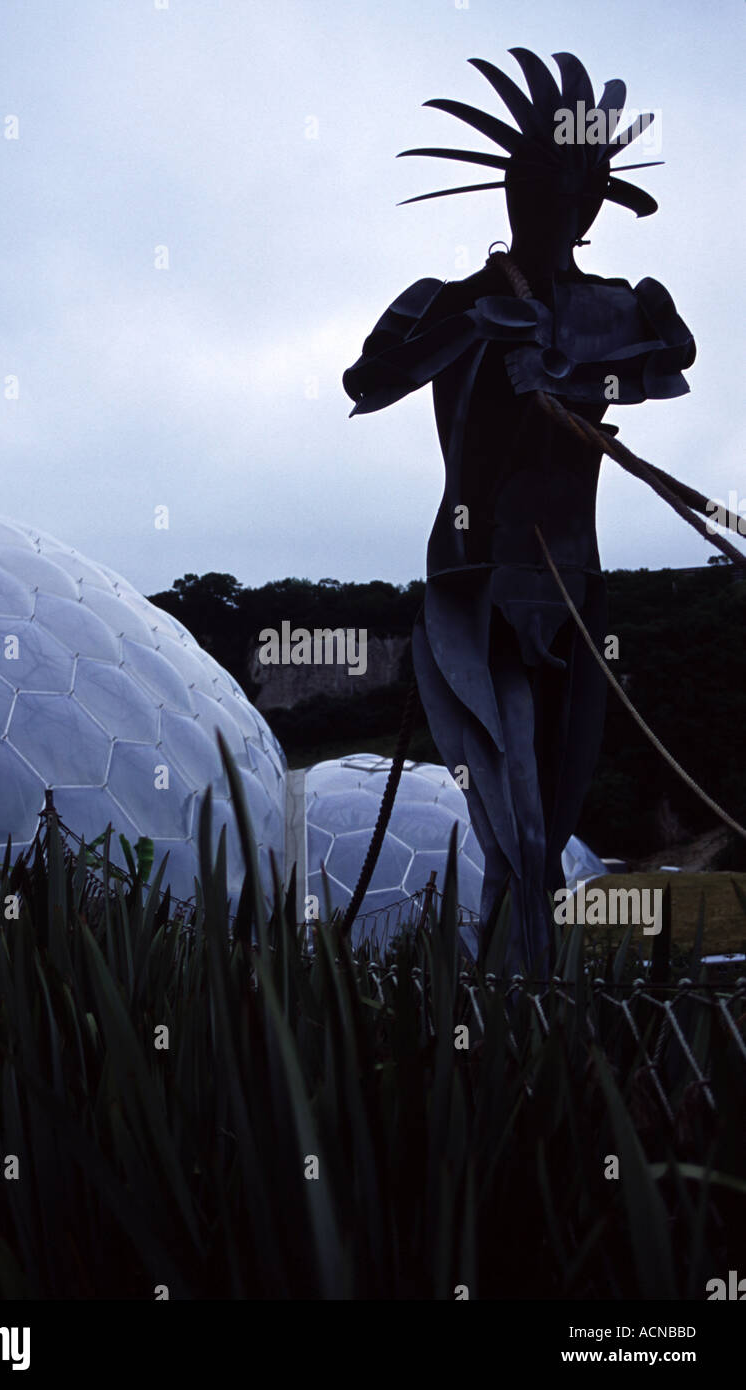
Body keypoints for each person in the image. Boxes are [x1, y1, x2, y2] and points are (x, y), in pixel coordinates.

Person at [343, 50, 695, 969]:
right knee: (514, 813)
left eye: (573, 186)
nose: (551, 205)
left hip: (572, 577)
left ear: (593, 197)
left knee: (556, 794)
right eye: (535, 183)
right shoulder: (446, 299)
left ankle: (532, 985)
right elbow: (368, 381)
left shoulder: (619, 306)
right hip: (474, 575)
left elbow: (665, 366)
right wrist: (472, 325)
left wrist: (560, 368)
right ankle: (513, 983)